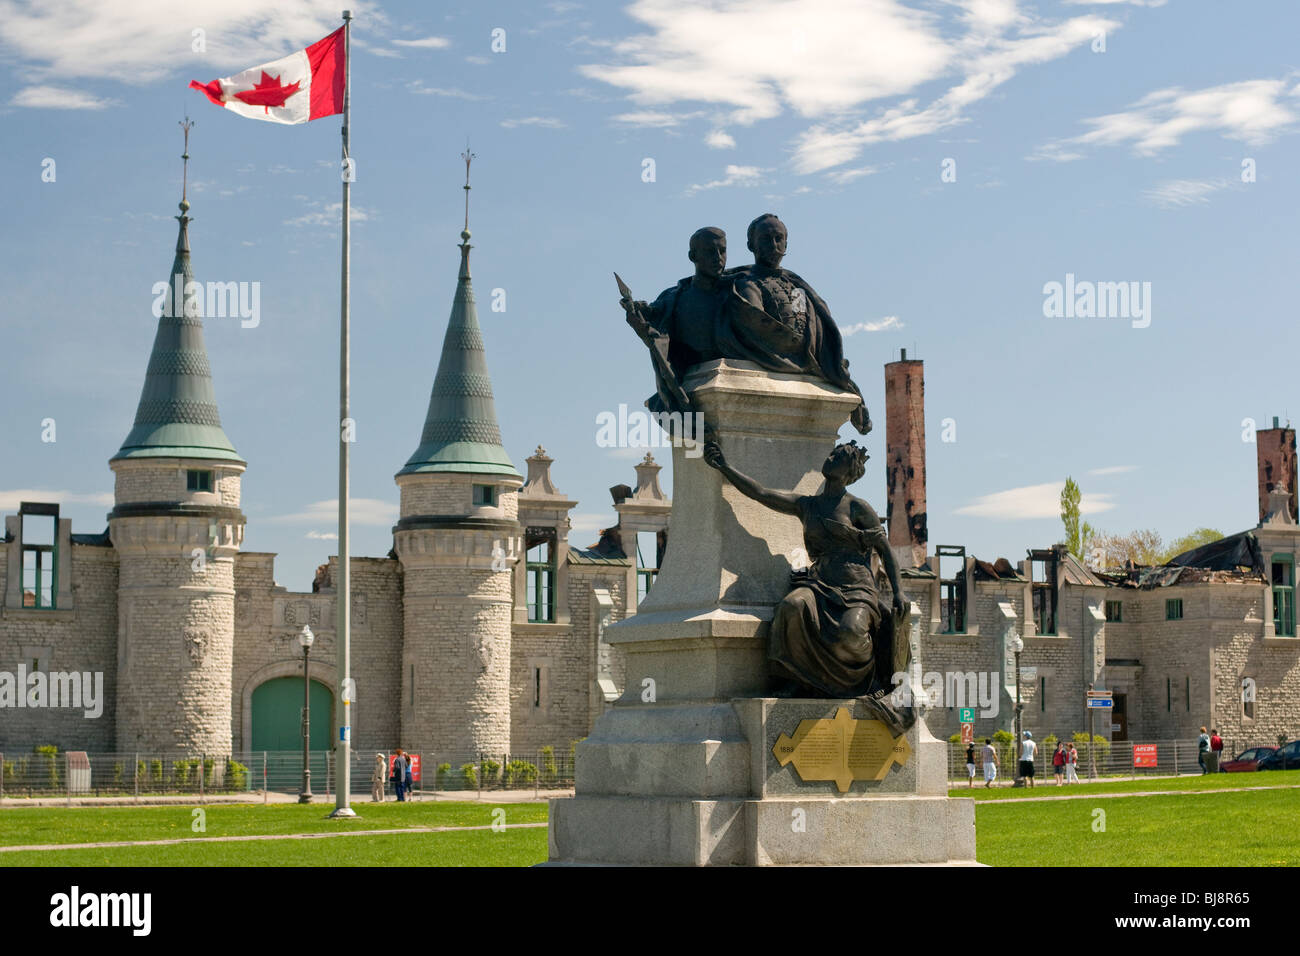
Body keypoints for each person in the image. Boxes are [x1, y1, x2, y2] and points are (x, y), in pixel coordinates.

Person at [703, 439, 909, 729]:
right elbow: (761, 493)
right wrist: (724, 467)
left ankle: (871, 678)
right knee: (792, 606)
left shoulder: (858, 508)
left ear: (849, 469)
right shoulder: (807, 505)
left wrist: (899, 592)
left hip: (856, 587)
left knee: (851, 632)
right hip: (821, 582)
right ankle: (795, 678)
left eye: (838, 455)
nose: (830, 456)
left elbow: (885, 550)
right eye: (832, 452)